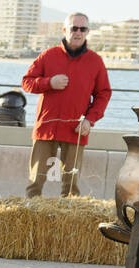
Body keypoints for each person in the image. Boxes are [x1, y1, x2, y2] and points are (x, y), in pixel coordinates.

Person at [21, 12, 110, 198]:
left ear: (87, 32)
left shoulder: (96, 61)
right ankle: (31, 219)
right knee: (35, 182)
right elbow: (26, 82)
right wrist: (49, 83)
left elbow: (103, 94)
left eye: (82, 29)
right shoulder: (48, 55)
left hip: (76, 130)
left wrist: (90, 120)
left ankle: (69, 226)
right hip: (46, 128)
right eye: (73, 28)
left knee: (71, 187)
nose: (78, 32)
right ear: (65, 30)